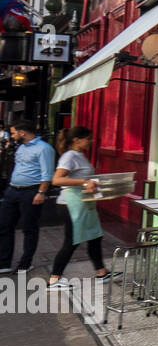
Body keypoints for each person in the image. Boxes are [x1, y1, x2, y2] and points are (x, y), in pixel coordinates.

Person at [49, 126, 109, 287]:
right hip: (71, 203)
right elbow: (57, 180)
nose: (91, 141)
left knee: (95, 237)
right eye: (88, 138)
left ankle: (101, 272)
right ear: (76, 140)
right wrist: (85, 182)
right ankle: (54, 279)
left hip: (82, 203)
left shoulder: (79, 155)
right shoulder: (69, 156)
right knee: (72, 241)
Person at [0, 120, 56, 274]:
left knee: (29, 228)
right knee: (4, 225)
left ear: (22, 132)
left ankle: (25, 263)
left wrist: (41, 192)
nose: (11, 136)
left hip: (30, 192)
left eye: (13, 133)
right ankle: (4, 263)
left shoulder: (44, 149)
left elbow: (47, 173)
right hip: (12, 191)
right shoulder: (20, 147)